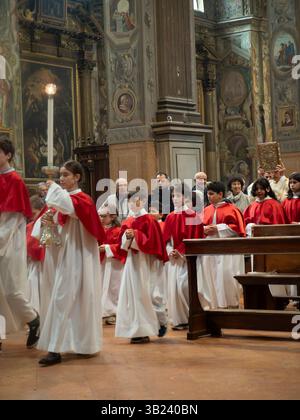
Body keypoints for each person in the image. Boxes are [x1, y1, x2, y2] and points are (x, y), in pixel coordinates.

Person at [35, 160, 105, 366]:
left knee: (76, 298)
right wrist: (48, 223)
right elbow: (49, 228)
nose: (61, 179)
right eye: (59, 175)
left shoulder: (83, 200)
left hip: (79, 254)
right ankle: (57, 346)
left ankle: (82, 344)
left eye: (65, 175)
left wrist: (52, 187)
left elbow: (69, 207)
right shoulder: (60, 201)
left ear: (77, 177)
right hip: (64, 254)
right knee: (61, 298)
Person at [0, 139, 40, 348]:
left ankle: (34, 320)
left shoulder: (14, 180)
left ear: (7, 154)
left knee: (11, 290)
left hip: (9, 242)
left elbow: (13, 219)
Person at [115, 190, 168, 344]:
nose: (133, 204)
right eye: (131, 201)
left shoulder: (149, 220)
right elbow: (122, 245)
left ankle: (159, 323)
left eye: (136, 201)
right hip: (132, 263)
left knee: (149, 295)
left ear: (143, 202)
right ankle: (138, 330)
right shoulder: (128, 220)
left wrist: (136, 235)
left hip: (147, 262)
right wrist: (127, 236)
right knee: (133, 296)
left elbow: (153, 243)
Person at [197, 182, 246, 309]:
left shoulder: (232, 209)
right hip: (209, 249)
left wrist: (218, 228)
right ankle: (214, 306)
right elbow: (198, 228)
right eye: (208, 194)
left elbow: (239, 229)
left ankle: (231, 305)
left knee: (226, 276)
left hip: (227, 249)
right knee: (210, 277)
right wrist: (204, 229)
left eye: (212, 194)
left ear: (220, 194)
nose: (209, 196)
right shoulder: (206, 210)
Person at [164, 184, 204, 330]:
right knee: (173, 288)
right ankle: (179, 320)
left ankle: (191, 316)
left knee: (184, 286)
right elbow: (166, 239)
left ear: (186, 197)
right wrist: (170, 250)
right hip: (174, 259)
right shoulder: (170, 217)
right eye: (173, 196)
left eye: (178, 196)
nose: (175, 199)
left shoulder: (193, 216)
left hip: (187, 260)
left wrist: (180, 252)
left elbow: (194, 239)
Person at [99, 205, 125, 326]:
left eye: (104, 216)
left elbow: (122, 247)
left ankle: (114, 312)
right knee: (103, 286)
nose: (101, 218)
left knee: (114, 288)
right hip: (103, 262)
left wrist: (107, 247)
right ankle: (105, 312)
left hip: (115, 263)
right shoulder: (100, 230)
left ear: (113, 216)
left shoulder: (119, 230)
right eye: (100, 216)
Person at [26, 195, 46, 314]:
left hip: (42, 263)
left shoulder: (45, 225)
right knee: (32, 290)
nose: (31, 216)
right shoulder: (29, 226)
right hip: (32, 264)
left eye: (34, 213)